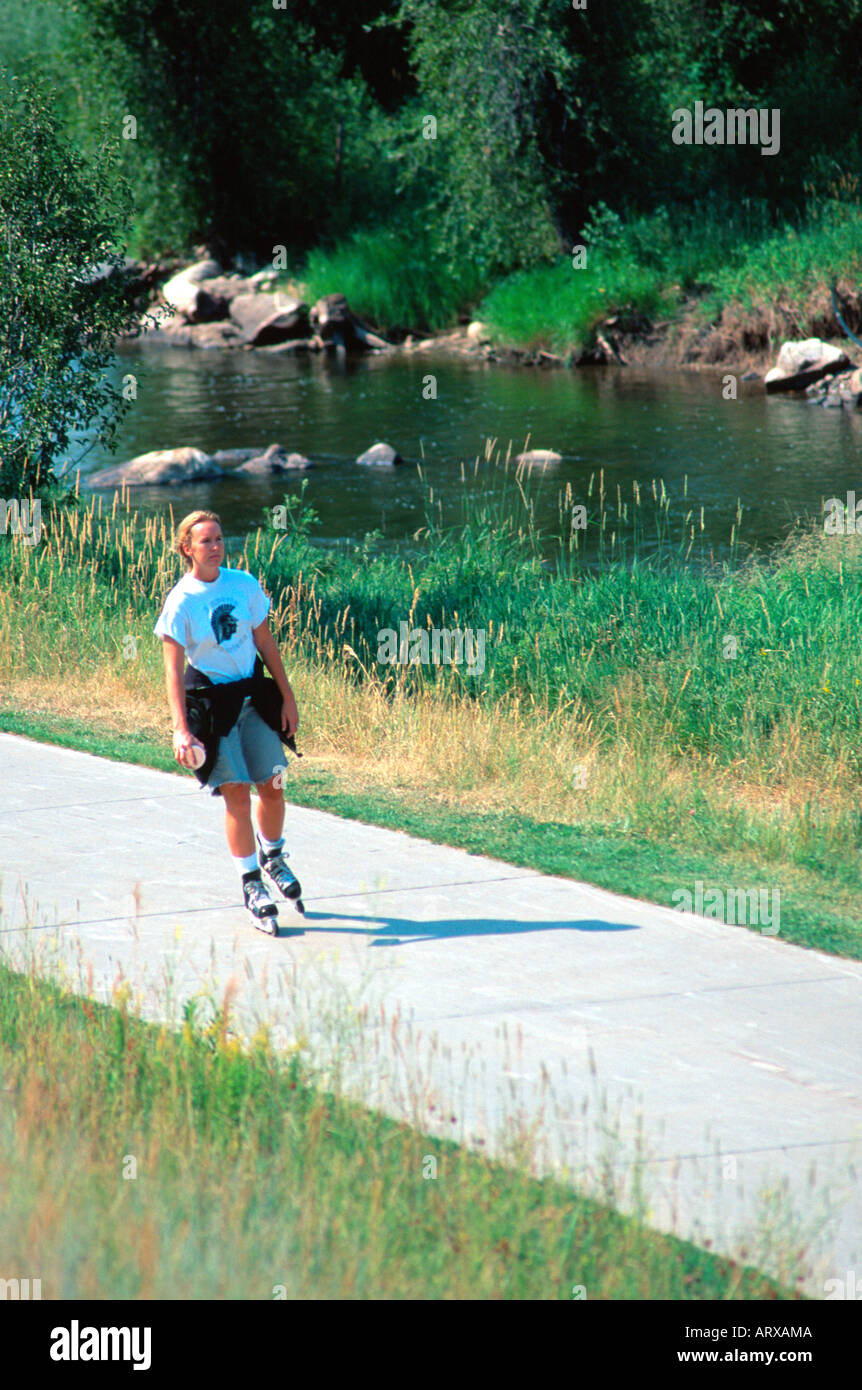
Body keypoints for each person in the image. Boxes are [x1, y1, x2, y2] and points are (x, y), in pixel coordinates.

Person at [153, 509, 302, 933]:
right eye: (206, 541)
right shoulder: (181, 601)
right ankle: (251, 883)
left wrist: (287, 697)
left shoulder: (244, 585)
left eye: (219, 538)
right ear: (187, 548)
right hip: (213, 708)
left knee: (272, 784)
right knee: (236, 794)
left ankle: (273, 856)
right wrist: (180, 728)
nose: (216, 546)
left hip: (253, 697)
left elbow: (265, 641)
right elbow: (173, 671)